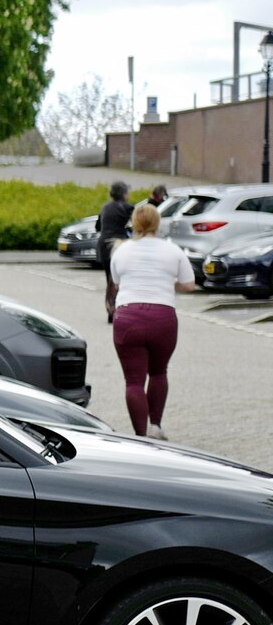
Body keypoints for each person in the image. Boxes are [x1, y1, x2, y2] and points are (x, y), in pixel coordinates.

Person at [106, 202, 195, 440]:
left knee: (133, 380)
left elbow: (116, 282)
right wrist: (169, 282)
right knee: (158, 372)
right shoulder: (172, 250)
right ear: (157, 223)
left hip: (128, 317)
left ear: (134, 223)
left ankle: (140, 434)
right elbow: (189, 284)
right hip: (162, 317)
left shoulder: (121, 251)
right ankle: (156, 426)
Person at [95, 181, 134, 294]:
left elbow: (97, 227)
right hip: (117, 245)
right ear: (124, 194)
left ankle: (111, 308)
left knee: (110, 280)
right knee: (121, 280)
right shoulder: (128, 207)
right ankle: (120, 306)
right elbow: (137, 225)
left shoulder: (105, 207)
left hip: (103, 245)